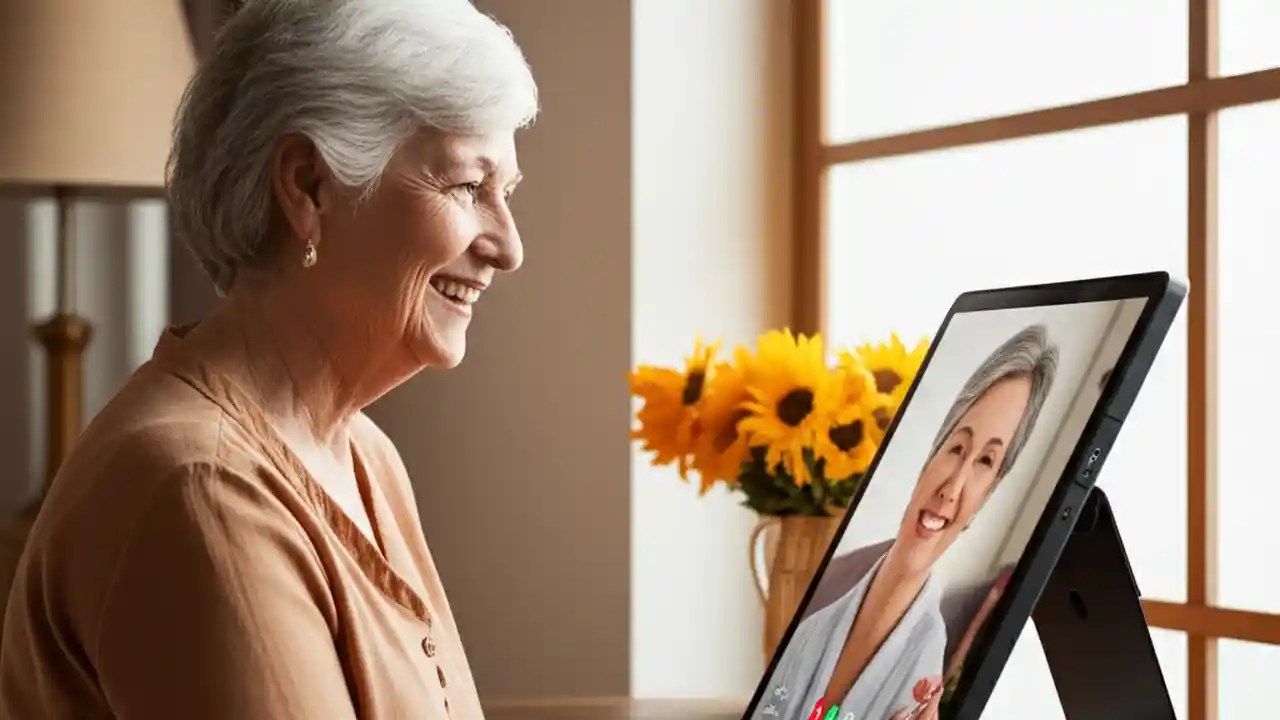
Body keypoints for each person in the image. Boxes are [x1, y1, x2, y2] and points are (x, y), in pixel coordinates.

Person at [0, 1, 537, 718]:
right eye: (469, 186)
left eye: (506, 193)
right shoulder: (202, 488)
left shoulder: (363, 454)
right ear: (309, 186)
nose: (509, 246)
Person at [754, 325, 1058, 720]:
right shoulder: (822, 600)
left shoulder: (930, 669)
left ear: (989, 495)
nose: (953, 486)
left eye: (985, 461)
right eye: (957, 448)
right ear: (931, 455)